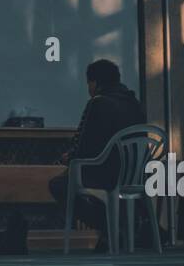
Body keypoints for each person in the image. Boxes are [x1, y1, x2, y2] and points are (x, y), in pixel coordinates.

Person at [49, 59, 146, 241]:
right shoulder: (135, 103)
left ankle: (111, 228)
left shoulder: (98, 103)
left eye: (88, 84)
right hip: (135, 173)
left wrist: (70, 157)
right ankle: (119, 229)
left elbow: (86, 148)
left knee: (59, 184)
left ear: (94, 82)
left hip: (106, 174)